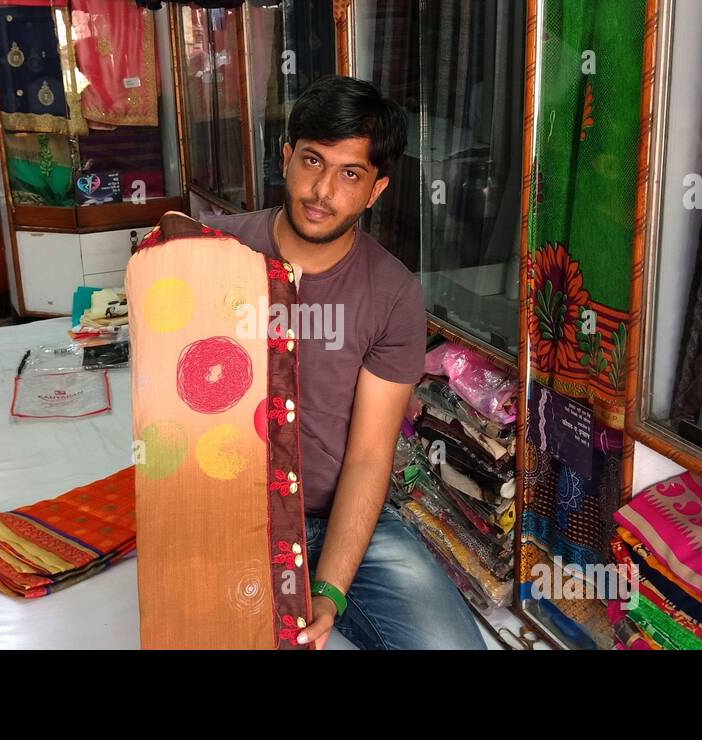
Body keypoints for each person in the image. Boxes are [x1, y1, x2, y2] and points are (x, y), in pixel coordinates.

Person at [200, 75, 485, 650]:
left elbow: (370, 456)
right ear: (286, 157)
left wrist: (330, 590)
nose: (321, 189)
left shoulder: (394, 293)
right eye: (312, 160)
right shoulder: (211, 253)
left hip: (341, 515)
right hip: (231, 510)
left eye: (349, 173)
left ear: (376, 189)